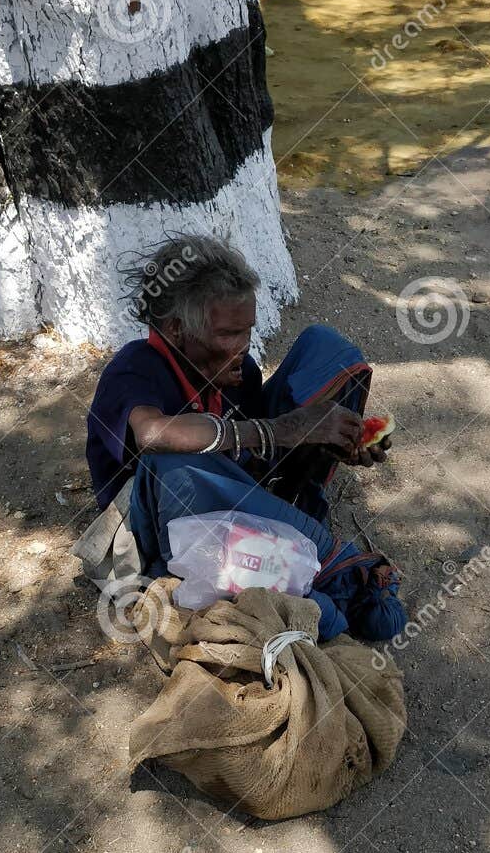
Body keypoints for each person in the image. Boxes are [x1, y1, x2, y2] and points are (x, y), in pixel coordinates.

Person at [85, 235, 405, 642]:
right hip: (158, 515)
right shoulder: (132, 370)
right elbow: (151, 433)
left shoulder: (241, 371)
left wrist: (328, 439)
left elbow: (252, 456)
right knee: (172, 458)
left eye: (247, 330)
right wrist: (283, 429)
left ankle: (299, 541)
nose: (243, 347)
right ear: (175, 329)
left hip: (229, 494)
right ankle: (329, 561)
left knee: (325, 347)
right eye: (226, 334)